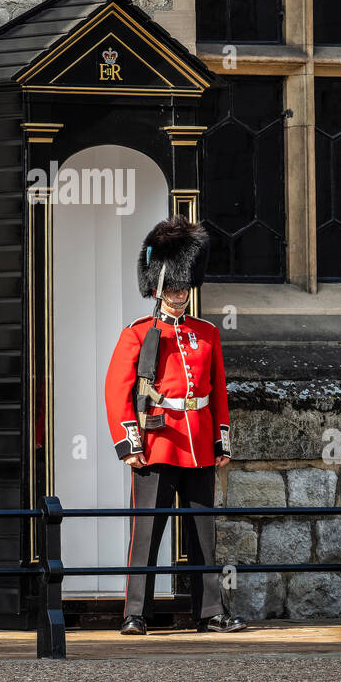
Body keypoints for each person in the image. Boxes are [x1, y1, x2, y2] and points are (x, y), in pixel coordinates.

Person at [104, 215, 246, 636]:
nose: (178, 295)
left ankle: (210, 612)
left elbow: (217, 391)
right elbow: (117, 391)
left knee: (204, 533)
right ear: (158, 288)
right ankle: (136, 613)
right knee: (147, 531)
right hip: (158, 442)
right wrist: (130, 442)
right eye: (172, 288)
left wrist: (222, 441)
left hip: (200, 443)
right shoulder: (137, 334)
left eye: (182, 287)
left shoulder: (206, 334)